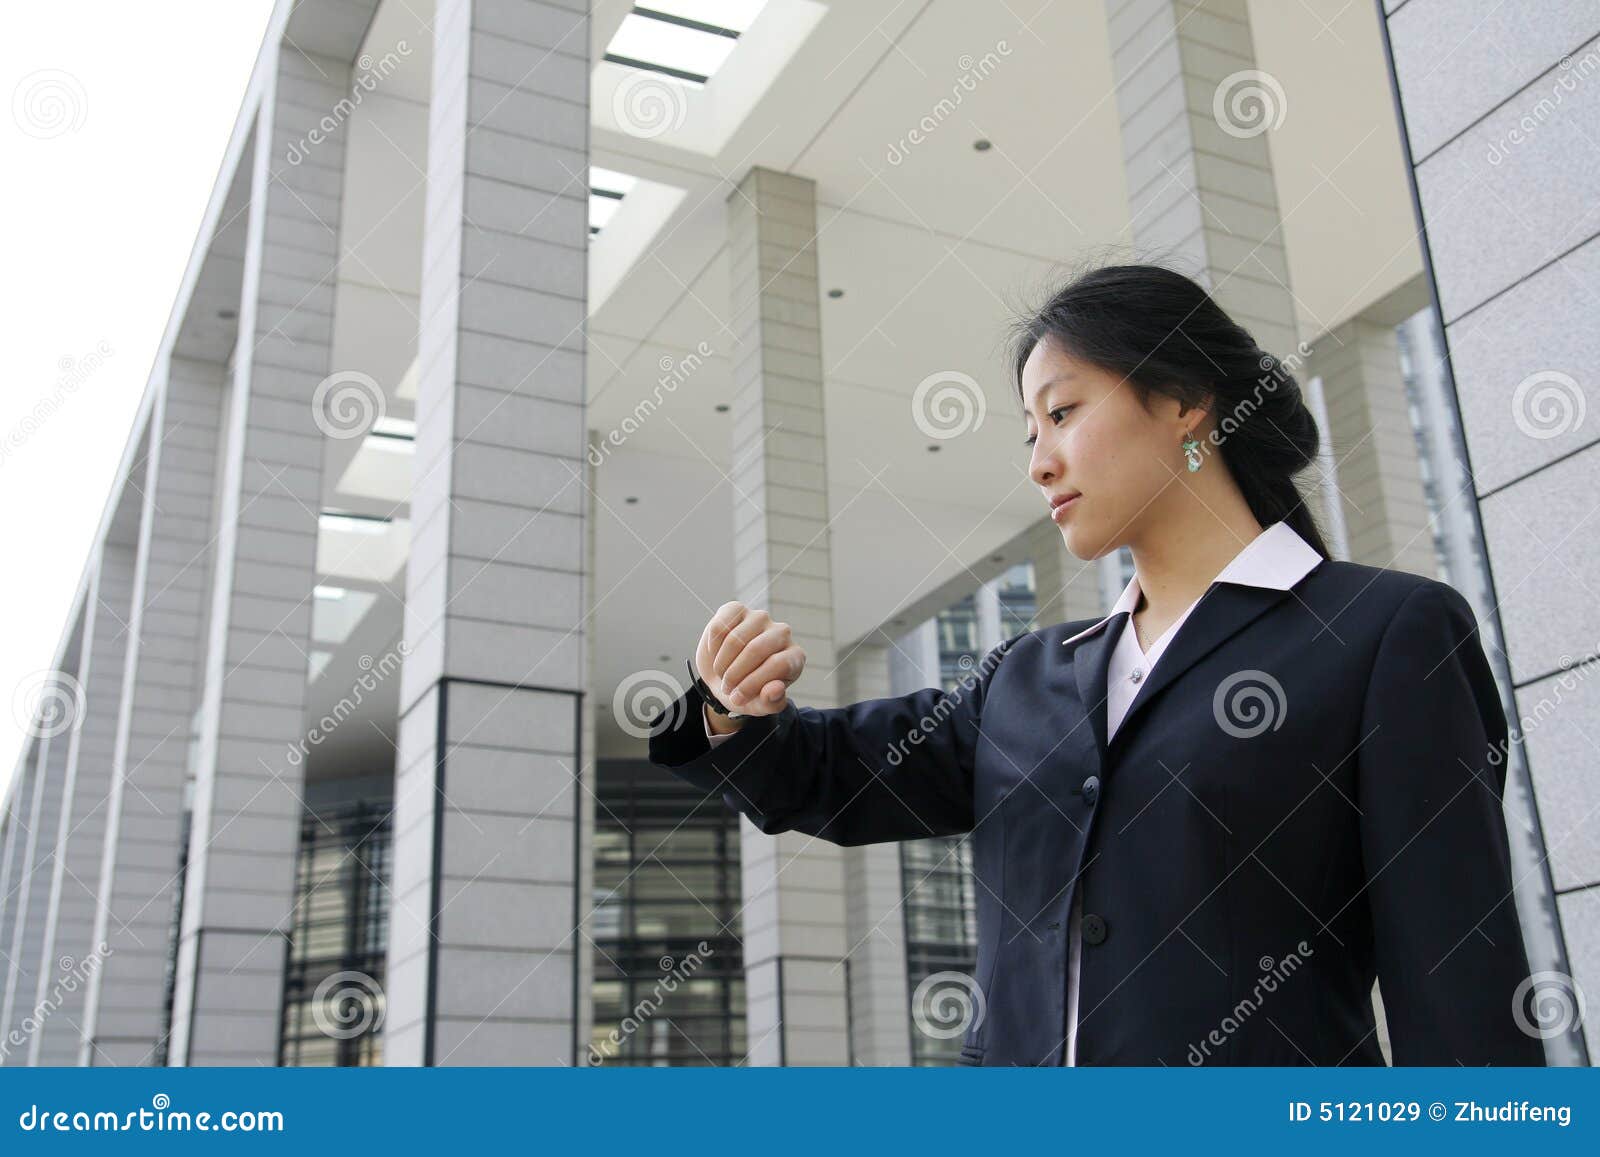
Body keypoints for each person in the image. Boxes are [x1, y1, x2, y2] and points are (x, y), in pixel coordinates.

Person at [646, 263, 1546, 1067]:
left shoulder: (1382, 631)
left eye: (1064, 413)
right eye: (1028, 432)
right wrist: (724, 708)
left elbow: (1455, 971)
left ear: (1186, 399)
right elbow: (829, 776)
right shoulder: (1026, 677)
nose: (1040, 464)